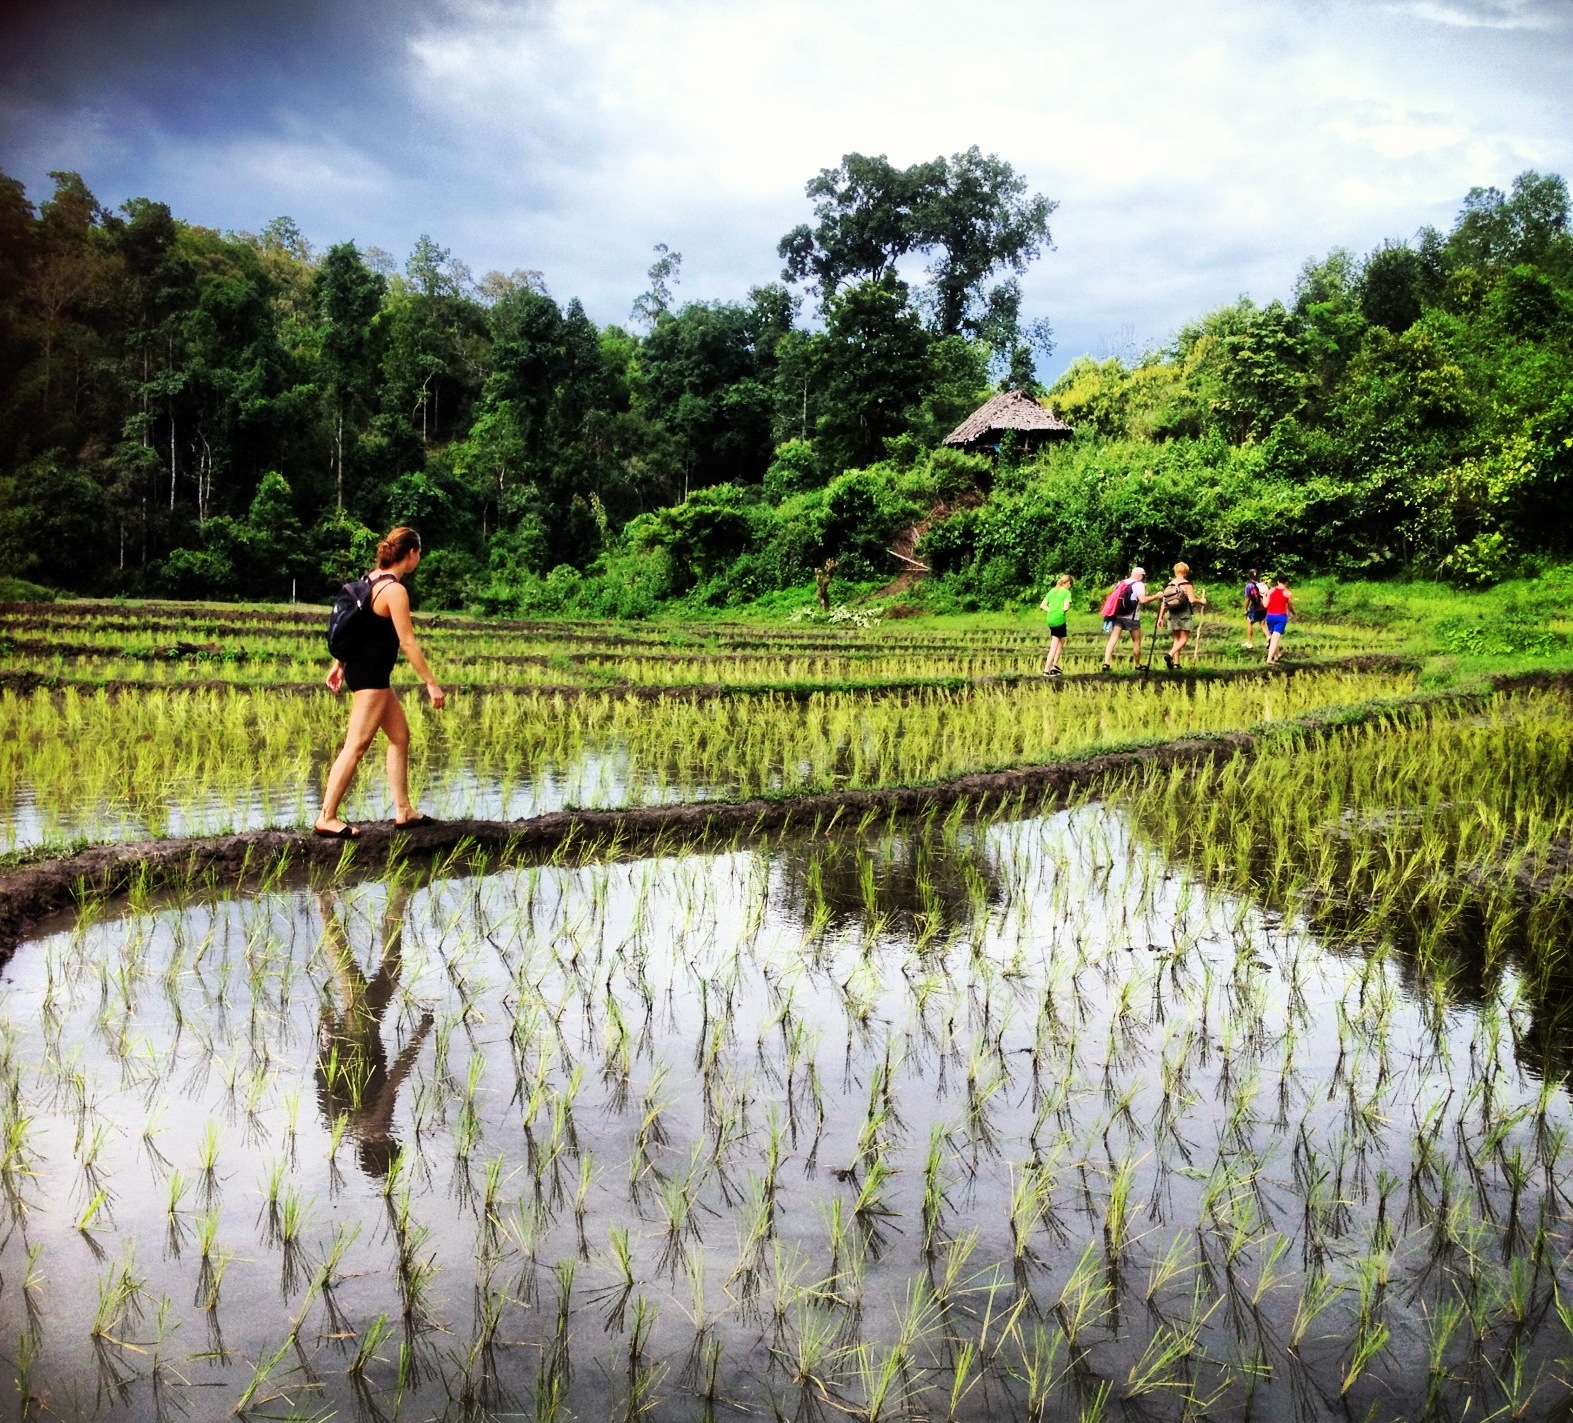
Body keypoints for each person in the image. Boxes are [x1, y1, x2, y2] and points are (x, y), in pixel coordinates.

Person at [314, 526, 446, 839]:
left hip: (368, 673)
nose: (419, 559)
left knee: (400, 736)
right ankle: (327, 817)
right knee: (355, 746)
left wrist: (339, 664)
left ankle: (404, 810)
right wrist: (431, 683)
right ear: (411, 555)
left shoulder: (370, 579)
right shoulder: (395, 591)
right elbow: (408, 643)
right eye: (419, 554)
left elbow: (360, 630)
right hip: (371, 678)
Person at [315, 882, 435, 1177]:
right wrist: (329, 1028)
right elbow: (326, 1075)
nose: (392, 1139)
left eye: (390, 1147)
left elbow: (395, 1077)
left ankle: (327, 902)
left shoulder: (376, 1124)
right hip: (352, 1033)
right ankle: (397, 897)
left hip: (362, 1030)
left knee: (352, 970)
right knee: (388, 970)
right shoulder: (341, 1126)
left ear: (383, 1148)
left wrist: (421, 1033)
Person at [1148, 562, 1202, 669]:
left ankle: (1177, 663)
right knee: (1184, 639)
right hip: (1184, 614)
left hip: (1172, 614)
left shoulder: (1169, 585)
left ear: (1175, 571)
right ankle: (1170, 654)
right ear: (1186, 572)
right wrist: (1201, 601)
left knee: (1177, 638)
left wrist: (1160, 617)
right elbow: (1191, 600)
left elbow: (1164, 603)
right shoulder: (1187, 585)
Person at [1101, 566, 1146, 671]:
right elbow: (1143, 600)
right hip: (1132, 617)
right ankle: (1138, 665)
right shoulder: (1139, 584)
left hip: (1118, 615)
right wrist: (1157, 596)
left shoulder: (1121, 583)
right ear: (1140, 576)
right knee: (1136, 641)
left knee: (1113, 639)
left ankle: (1106, 663)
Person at [1039, 574, 1074, 677]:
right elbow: (1066, 607)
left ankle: (1055, 665)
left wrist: (1052, 611)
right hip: (1059, 620)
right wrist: (1059, 612)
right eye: (1070, 584)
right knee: (1054, 645)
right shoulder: (1067, 593)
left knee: (1061, 640)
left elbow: (1043, 605)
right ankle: (1046, 669)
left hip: (1050, 619)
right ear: (1068, 583)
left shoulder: (1052, 591)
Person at [1264, 573, 1295, 663]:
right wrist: (1293, 613)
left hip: (1270, 617)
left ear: (1277, 581)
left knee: (1274, 636)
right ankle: (1269, 659)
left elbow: (1265, 605)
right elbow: (1290, 606)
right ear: (1286, 582)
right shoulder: (1287, 593)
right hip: (1280, 617)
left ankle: (1277, 656)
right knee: (1275, 639)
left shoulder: (1271, 591)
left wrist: (1263, 597)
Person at [1242, 568, 1267, 651]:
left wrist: (1245, 609)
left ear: (1249, 576)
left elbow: (1247, 599)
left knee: (1249, 622)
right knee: (1262, 624)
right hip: (1264, 606)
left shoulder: (1249, 586)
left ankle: (1249, 642)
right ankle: (1268, 637)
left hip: (1255, 607)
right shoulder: (1263, 584)